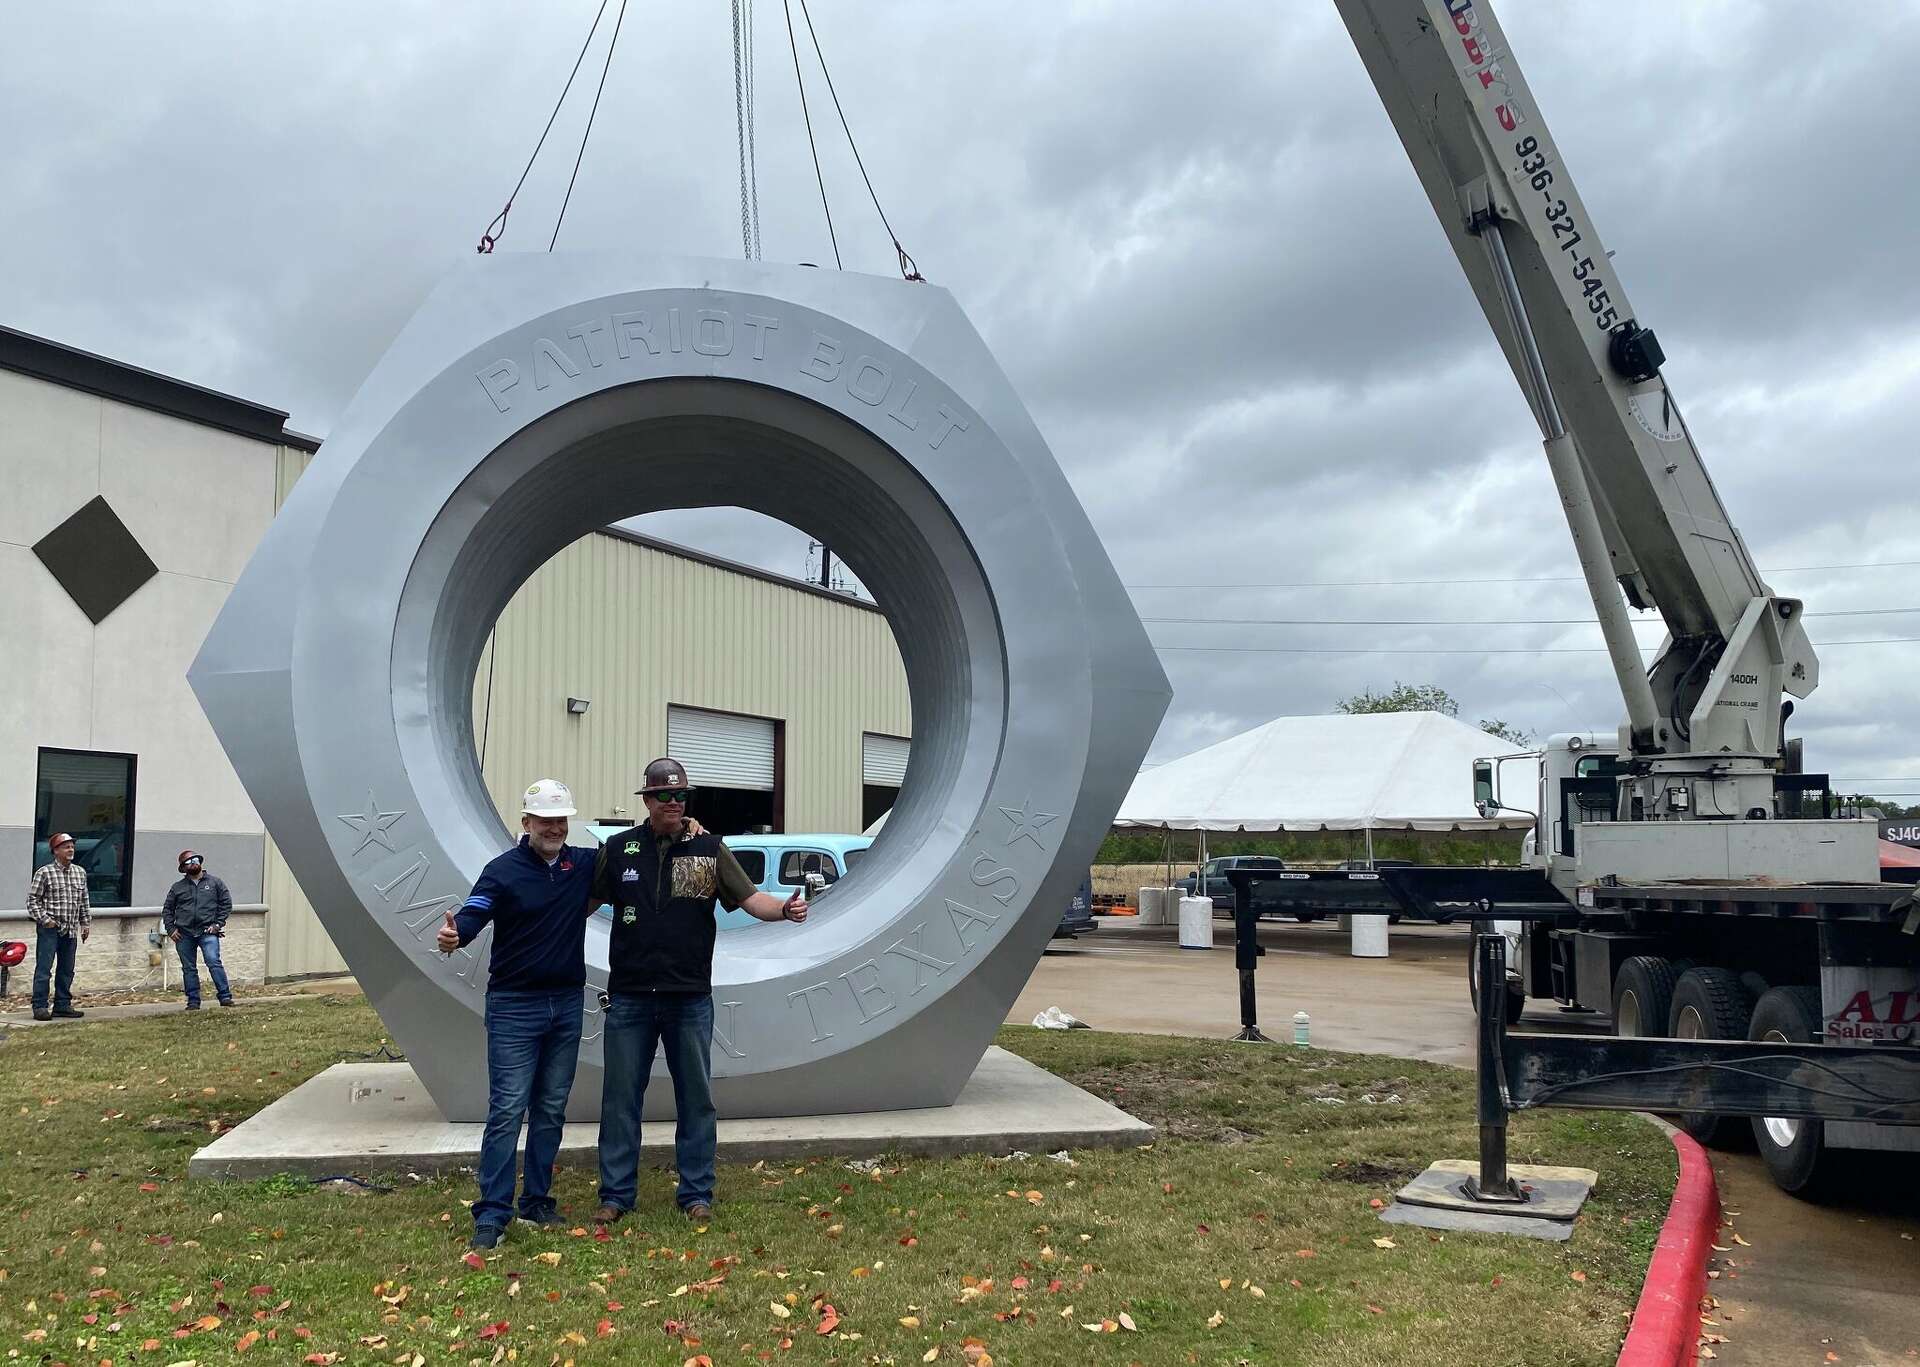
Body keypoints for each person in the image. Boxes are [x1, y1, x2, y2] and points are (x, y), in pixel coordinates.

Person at [592, 758, 809, 1226]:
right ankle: (615, 1195)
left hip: (687, 997)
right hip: (629, 996)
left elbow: (752, 899)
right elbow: (579, 902)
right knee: (620, 1098)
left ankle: (696, 1193)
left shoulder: (710, 850)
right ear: (646, 800)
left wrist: (784, 910)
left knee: (696, 1098)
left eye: (681, 796)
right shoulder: (619, 849)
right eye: (665, 796)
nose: (674, 803)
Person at [437, 779, 602, 1250]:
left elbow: (632, 853)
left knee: (550, 1109)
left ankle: (537, 1202)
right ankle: (491, 1213)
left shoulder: (582, 864)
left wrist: (689, 826)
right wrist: (456, 936)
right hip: (514, 1007)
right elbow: (473, 913)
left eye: (561, 820)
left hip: (566, 1004)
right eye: (545, 820)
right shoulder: (502, 871)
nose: (553, 827)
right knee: (508, 1109)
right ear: (526, 822)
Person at [27, 832, 90, 1022]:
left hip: (71, 928)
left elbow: (84, 900)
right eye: (66, 846)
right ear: (55, 851)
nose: (70, 849)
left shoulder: (80, 872)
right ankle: (39, 1006)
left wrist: (85, 923)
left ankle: (62, 1005)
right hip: (50, 929)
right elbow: (32, 901)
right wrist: (46, 920)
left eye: (72, 846)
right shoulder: (44, 873)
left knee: (67, 969)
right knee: (44, 969)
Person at [162, 850, 234, 1009]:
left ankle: (225, 997)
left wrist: (217, 925)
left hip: (208, 932)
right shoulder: (177, 887)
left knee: (214, 962)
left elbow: (226, 905)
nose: (192, 863)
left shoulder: (216, 883)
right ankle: (193, 1001)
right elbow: (167, 909)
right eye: (187, 862)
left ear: (200, 862)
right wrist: (171, 929)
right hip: (184, 934)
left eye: (194, 859)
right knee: (188, 968)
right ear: (183, 868)